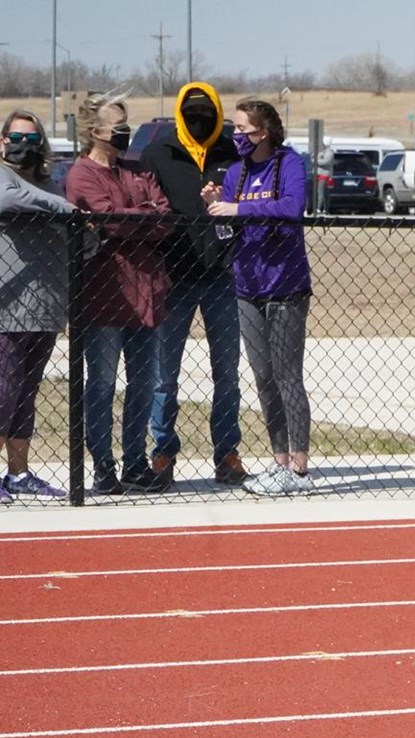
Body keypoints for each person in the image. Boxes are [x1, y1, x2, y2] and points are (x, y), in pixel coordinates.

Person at [203, 98, 317, 496]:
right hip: (246, 287)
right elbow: (227, 233)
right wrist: (217, 209)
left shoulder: (288, 164)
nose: (237, 137)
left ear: (264, 132)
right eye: (234, 130)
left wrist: (238, 209)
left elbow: (292, 206)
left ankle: (299, 469)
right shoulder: (235, 173)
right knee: (264, 379)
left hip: (285, 285)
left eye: (243, 130)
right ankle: (279, 462)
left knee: (288, 377)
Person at [143, 80, 249, 491]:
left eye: (208, 112)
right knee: (163, 376)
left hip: (224, 279)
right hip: (175, 279)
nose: (201, 118)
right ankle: (163, 452)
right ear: (180, 113)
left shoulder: (231, 154)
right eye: (193, 112)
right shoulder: (158, 153)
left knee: (227, 374)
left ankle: (227, 453)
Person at [65, 92, 172, 497]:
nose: (126, 134)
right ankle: (102, 466)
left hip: (148, 290)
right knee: (103, 384)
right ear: (96, 132)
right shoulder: (81, 174)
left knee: (144, 383)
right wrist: (134, 218)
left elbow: (163, 218)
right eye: (119, 128)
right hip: (104, 292)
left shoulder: (136, 167)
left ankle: (135, 463)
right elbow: (107, 219)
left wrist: (129, 219)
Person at [0, 109, 72, 503]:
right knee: (3, 391)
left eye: (31, 139)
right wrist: (63, 208)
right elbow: (8, 198)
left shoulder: (48, 184)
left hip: (45, 306)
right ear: (2, 140)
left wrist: (63, 209)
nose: (22, 146)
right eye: (15, 137)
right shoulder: (4, 177)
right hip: (7, 308)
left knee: (26, 393)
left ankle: (19, 473)